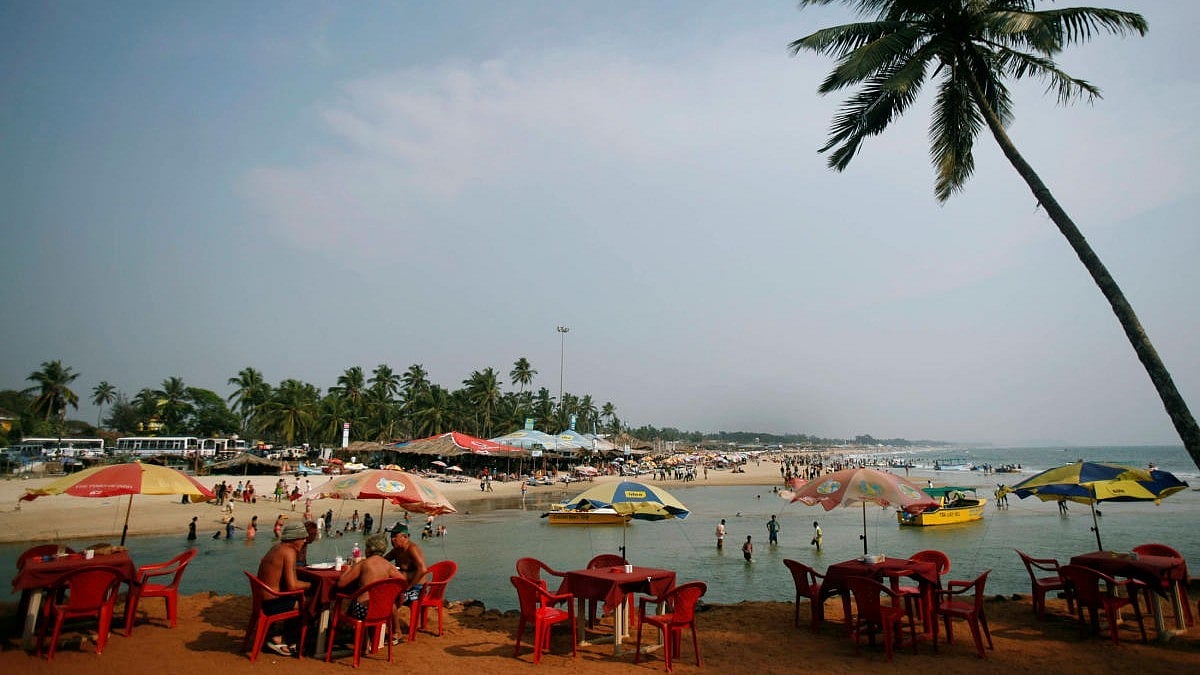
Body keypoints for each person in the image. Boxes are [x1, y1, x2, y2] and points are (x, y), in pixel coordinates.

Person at [256, 523, 312, 657]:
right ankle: (289, 638)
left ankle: (285, 636)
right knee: (313, 602)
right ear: (294, 539)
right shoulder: (289, 552)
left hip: (264, 600)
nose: (305, 541)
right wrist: (310, 585)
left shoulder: (276, 548)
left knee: (302, 598)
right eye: (303, 538)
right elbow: (292, 585)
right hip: (273, 604)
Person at [334, 533, 405, 629]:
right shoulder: (388, 565)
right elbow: (402, 581)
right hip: (383, 610)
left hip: (362, 610)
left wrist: (347, 570)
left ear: (368, 549)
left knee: (348, 599)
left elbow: (341, 584)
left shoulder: (364, 564)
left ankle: (341, 628)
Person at [384, 523, 428, 613]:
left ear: (405, 537)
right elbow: (383, 561)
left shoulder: (412, 549)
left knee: (393, 600)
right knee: (383, 595)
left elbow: (423, 569)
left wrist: (409, 587)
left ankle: (395, 626)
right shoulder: (396, 550)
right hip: (403, 585)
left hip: (417, 588)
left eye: (395, 536)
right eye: (391, 536)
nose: (392, 539)